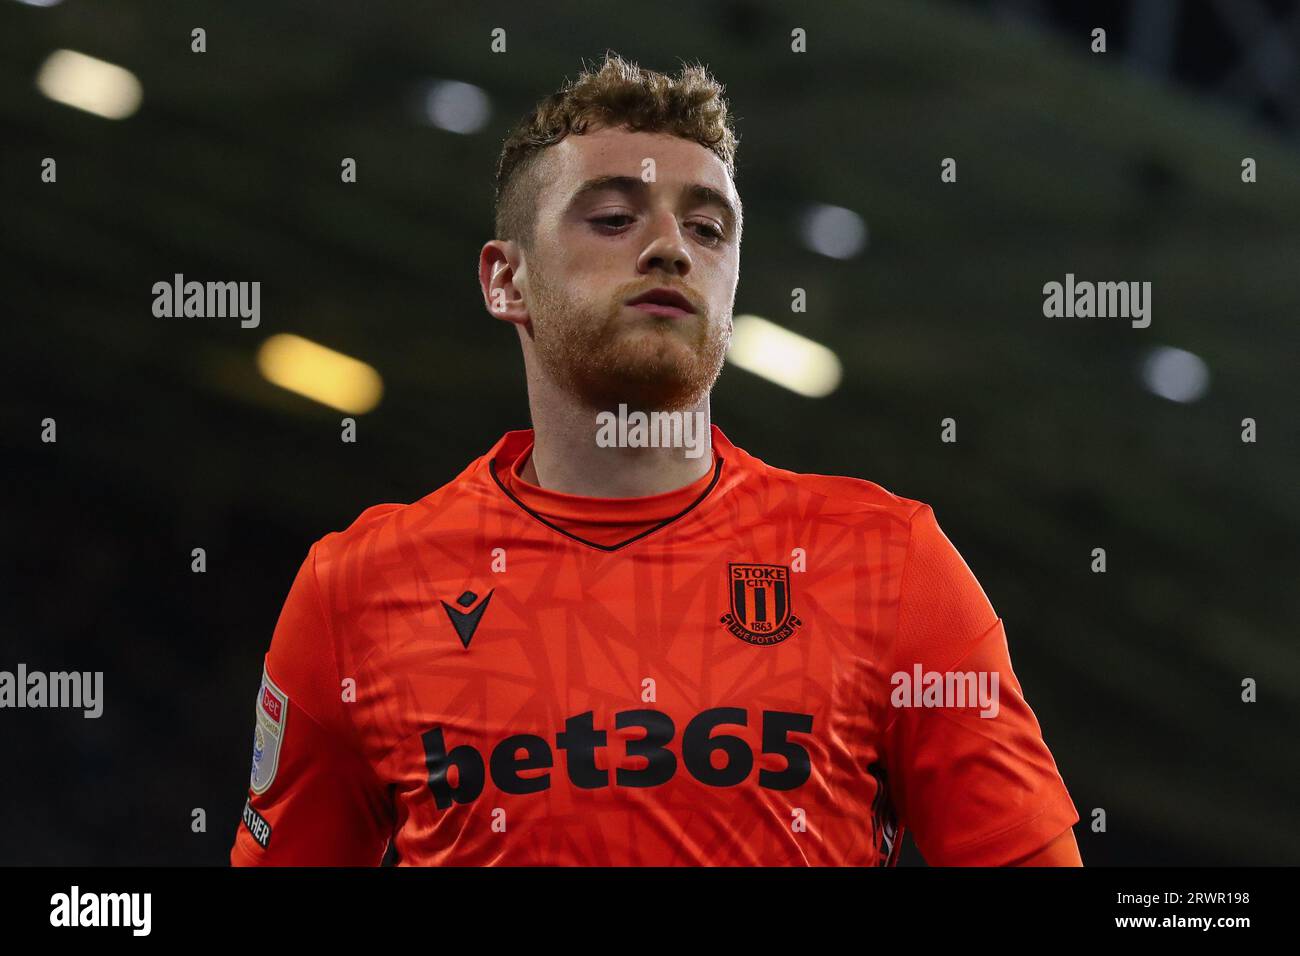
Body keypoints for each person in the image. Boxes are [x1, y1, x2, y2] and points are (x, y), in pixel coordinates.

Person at [231, 52, 1081, 866]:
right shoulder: (359, 591)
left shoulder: (889, 566)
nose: (671, 247)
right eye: (613, 218)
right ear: (506, 281)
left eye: (707, 229)